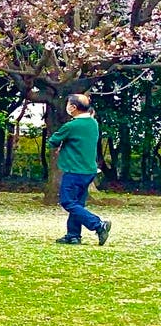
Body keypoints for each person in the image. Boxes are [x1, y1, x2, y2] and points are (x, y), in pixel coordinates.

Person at [47, 94, 111, 246]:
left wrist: (62, 144)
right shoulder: (93, 123)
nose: (67, 106)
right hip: (89, 171)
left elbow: (53, 141)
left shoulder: (71, 126)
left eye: (68, 104)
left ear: (73, 107)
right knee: (78, 204)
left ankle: (98, 225)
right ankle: (73, 235)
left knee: (68, 202)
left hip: (74, 170)